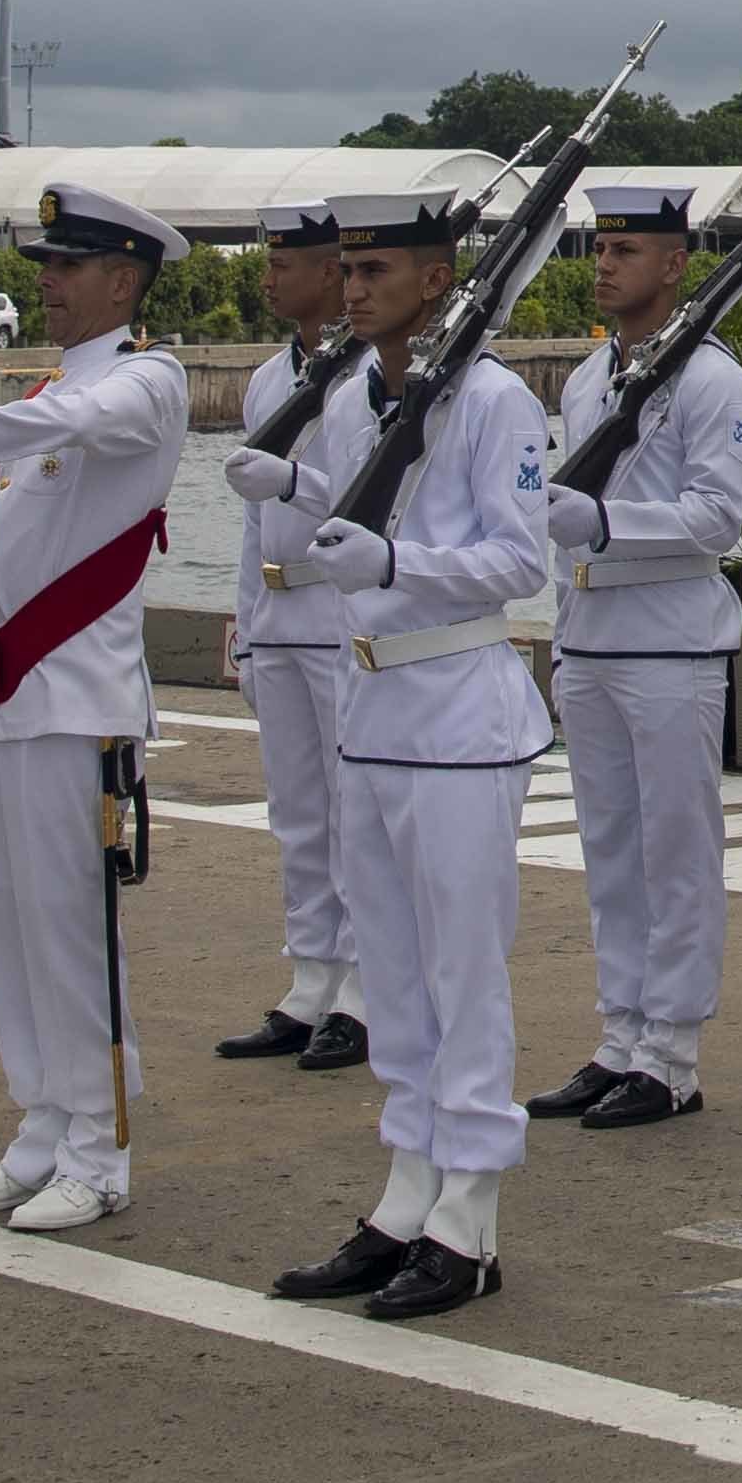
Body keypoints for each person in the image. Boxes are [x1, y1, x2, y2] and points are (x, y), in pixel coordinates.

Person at [259, 194, 559, 1320]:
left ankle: (469, 1214)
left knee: (460, 975)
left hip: (461, 713)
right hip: (372, 709)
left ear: (438, 280)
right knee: (390, 977)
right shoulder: (350, 403)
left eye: (375, 266)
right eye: (345, 267)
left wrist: (395, 556)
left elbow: (515, 561)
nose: (351, 286)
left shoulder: (494, 403)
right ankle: (405, 1190)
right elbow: (343, 543)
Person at [0, 181, 188, 1235]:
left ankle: (100, 1150)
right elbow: (40, 527)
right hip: (4, 691)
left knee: (71, 931)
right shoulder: (53, 390)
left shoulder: (143, 382)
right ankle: (41, 1124)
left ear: (122, 277)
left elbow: (72, 427)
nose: (48, 285)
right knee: (9, 921)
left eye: (66, 268)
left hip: (77, 702)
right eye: (46, 268)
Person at [538, 173, 742, 1134]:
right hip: (590, 633)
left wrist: (607, 523)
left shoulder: (715, 380)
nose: (604, 265)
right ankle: (619, 1034)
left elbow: (717, 519)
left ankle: (670, 1055)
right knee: (610, 850)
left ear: (675, 266)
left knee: (675, 853)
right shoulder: (589, 378)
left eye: (625, 251)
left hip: (669, 641)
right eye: (599, 247)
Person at [212, 203, 373, 1071]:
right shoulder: (271, 378)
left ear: (332, 274)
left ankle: (361, 989)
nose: (270, 279)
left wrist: (296, 479)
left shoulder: (366, 379)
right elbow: (250, 520)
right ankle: (310, 977)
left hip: (336, 614)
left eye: (287, 265)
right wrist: (245, 622)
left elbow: (366, 497)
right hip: (280, 615)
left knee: (353, 815)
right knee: (297, 814)